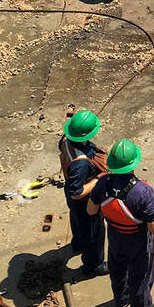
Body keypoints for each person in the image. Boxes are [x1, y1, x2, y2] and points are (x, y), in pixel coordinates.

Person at [86, 139, 154, 307]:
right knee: (141, 282)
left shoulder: (103, 183)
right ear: (134, 164)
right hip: (137, 242)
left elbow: (91, 210)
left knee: (117, 270)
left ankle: (121, 300)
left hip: (115, 236)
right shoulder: (143, 192)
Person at [57, 109, 107, 277]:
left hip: (70, 192)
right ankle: (93, 265)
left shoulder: (64, 140)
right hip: (84, 200)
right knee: (94, 233)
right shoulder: (81, 164)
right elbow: (76, 193)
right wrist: (98, 180)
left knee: (77, 222)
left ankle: (77, 244)